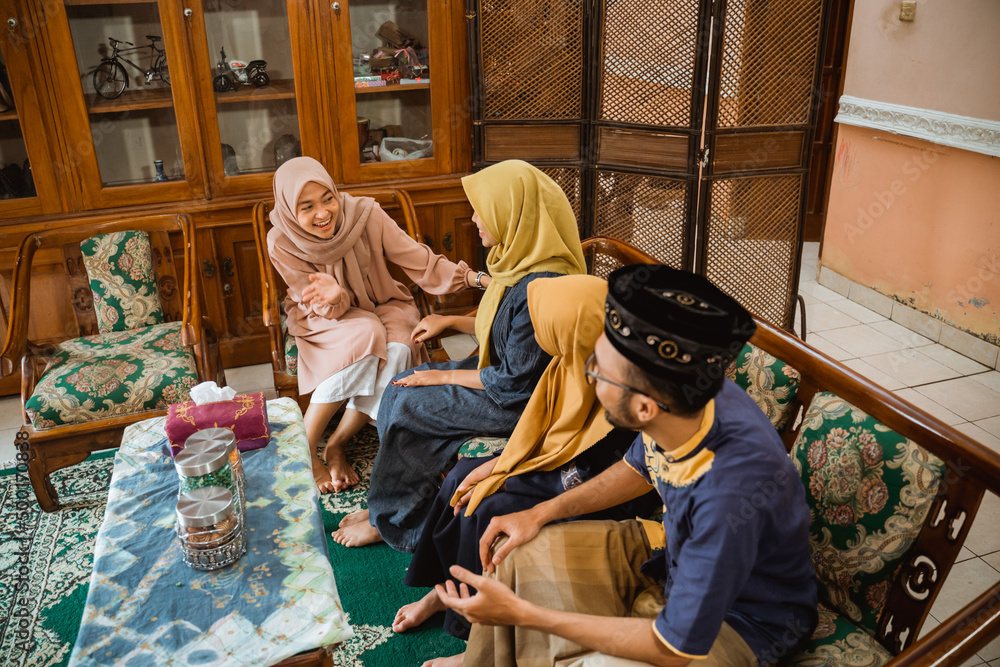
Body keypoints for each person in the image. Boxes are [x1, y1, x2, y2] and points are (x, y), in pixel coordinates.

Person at [433, 264, 818, 667]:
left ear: (644, 407)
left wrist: (525, 616)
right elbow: (639, 469)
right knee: (518, 553)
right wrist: (540, 512)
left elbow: (672, 648)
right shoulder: (685, 400)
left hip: (745, 620)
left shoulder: (727, 492)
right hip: (666, 549)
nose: (589, 375)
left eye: (600, 371)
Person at [331, 160, 587, 549]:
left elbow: (513, 383)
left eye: (481, 209)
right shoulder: (520, 262)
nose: (473, 218)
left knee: (408, 405)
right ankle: (391, 505)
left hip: (522, 401)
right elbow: (506, 331)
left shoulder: (544, 286)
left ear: (512, 211)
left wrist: (442, 376)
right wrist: (449, 320)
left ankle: (395, 521)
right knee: (400, 392)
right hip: (503, 375)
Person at [393, 274, 659, 648]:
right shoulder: (569, 359)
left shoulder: (620, 379)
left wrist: (515, 475)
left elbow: (607, 466)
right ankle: (446, 588)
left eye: (544, 324)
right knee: (463, 477)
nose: (538, 334)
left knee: (487, 504)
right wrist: (503, 463)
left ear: (568, 325)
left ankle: (471, 632)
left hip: (592, 482)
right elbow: (541, 433)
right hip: (557, 463)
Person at [267, 156, 476, 494]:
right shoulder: (281, 240)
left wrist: (471, 277)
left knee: (399, 345)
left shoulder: (366, 214)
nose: (323, 213)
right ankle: (304, 444)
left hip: (385, 302)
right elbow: (317, 302)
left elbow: (417, 259)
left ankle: (336, 444)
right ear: (291, 209)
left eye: (328, 199)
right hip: (321, 315)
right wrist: (335, 296)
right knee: (367, 333)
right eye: (306, 206)